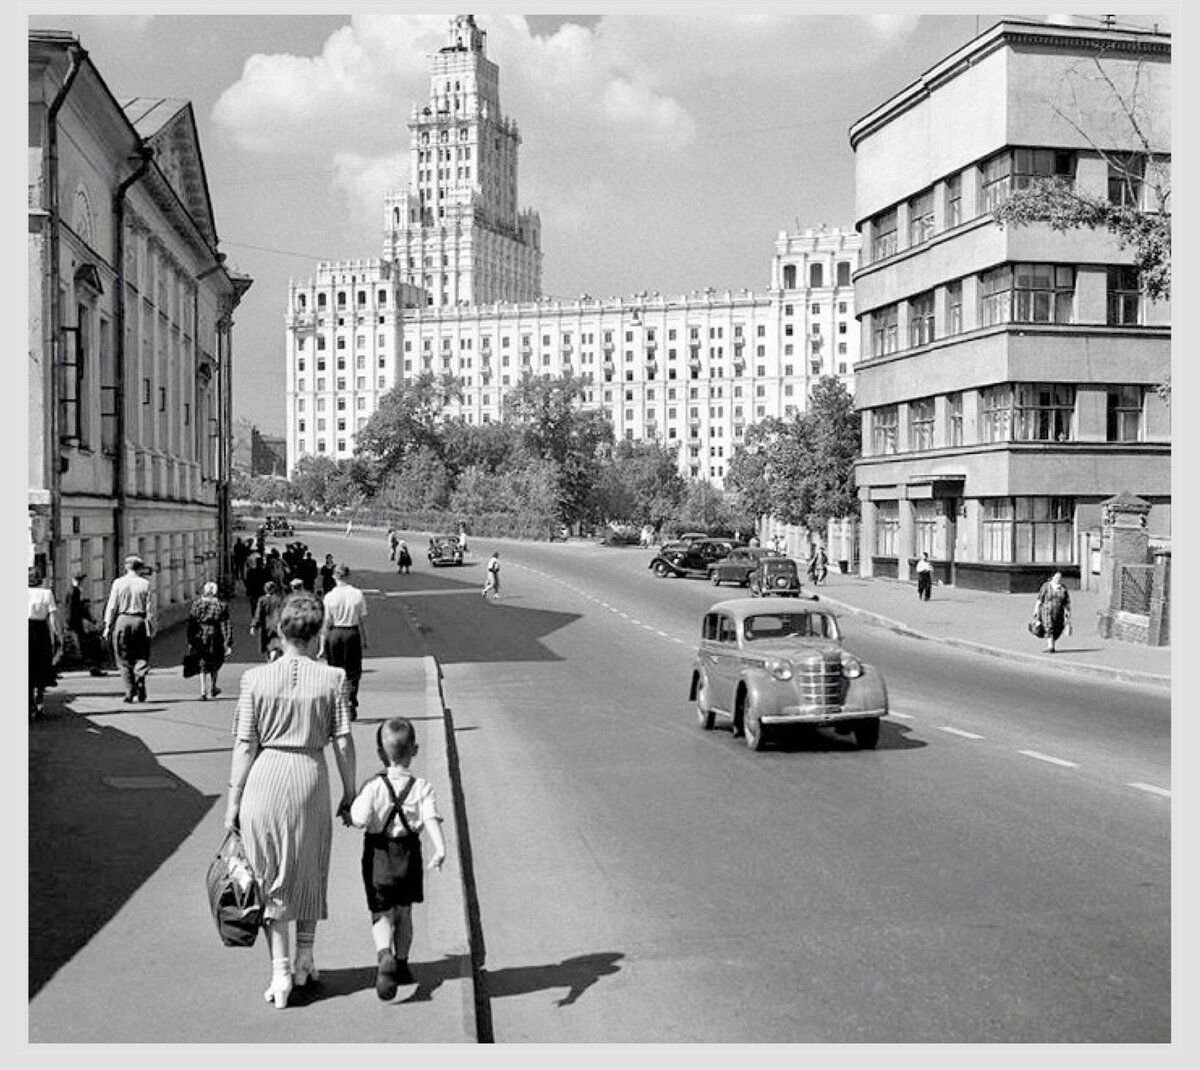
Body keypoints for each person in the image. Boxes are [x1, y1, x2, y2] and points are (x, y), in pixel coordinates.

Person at [224, 593, 357, 1009]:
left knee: (271, 877)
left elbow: (246, 745)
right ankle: (305, 958)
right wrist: (351, 792)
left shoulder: (254, 680)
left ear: (280, 631)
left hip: (265, 779)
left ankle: (280, 972)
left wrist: (233, 801)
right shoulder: (333, 678)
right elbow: (344, 741)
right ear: (318, 636)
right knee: (310, 867)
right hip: (310, 778)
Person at [348, 717, 446, 1000]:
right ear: (414, 750)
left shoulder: (374, 786)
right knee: (405, 912)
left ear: (380, 752)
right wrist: (440, 849)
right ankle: (402, 964)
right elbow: (430, 819)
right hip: (409, 857)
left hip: (378, 857)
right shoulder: (421, 787)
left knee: (382, 913)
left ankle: (383, 956)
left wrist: (353, 810)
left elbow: (359, 818)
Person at [102, 554, 156, 704]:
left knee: (123, 657)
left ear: (126, 567)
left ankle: (129, 690)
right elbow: (150, 609)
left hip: (122, 620)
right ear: (140, 568)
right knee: (141, 654)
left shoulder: (118, 583)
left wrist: (107, 626)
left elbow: (112, 606)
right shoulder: (145, 584)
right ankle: (140, 680)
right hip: (140, 620)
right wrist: (152, 626)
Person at [320, 564, 368, 717]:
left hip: (335, 633)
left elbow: (326, 622)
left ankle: (338, 701)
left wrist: (322, 646)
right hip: (352, 633)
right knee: (353, 670)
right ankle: (351, 700)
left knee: (335, 670)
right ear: (348, 576)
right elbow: (361, 620)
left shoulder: (329, 596)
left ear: (334, 577)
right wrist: (364, 639)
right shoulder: (357, 594)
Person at [186, 581, 233, 700]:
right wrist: (228, 641)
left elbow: (191, 623)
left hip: (200, 634)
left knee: (202, 662)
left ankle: (203, 691)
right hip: (216, 634)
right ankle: (213, 687)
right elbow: (226, 623)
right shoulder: (221, 605)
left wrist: (190, 639)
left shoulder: (197, 604)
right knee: (215, 660)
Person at [29, 568, 61, 718]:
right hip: (40, 630)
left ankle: (28, 702)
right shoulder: (46, 593)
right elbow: (53, 617)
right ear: (40, 580)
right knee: (41, 664)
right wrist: (57, 635)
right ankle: (39, 697)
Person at [66, 570, 105, 676]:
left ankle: (93, 666)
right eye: (81, 580)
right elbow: (74, 609)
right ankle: (93, 667)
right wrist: (88, 618)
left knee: (85, 645)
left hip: (76, 622)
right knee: (87, 645)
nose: (82, 582)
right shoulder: (75, 591)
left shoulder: (74, 590)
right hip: (76, 622)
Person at [1035, 570, 1072, 654]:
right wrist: (1036, 611)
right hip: (1047, 611)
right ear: (1052, 577)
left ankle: (1052, 645)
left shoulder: (1063, 588)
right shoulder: (1046, 586)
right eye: (1057, 577)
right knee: (1049, 627)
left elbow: (1067, 601)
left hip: (1059, 611)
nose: (1058, 579)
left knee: (1058, 628)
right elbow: (1039, 599)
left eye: (1060, 577)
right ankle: (1050, 646)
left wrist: (1068, 611)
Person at [251, 579, 285, 661]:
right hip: (278, 624)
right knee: (277, 643)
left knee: (268, 644)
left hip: (266, 626)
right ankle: (275, 656)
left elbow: (258, 614)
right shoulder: (280, 599)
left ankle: (271, 659)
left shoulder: (262, 600)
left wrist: (254, 626)